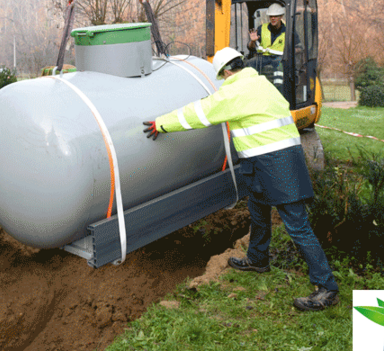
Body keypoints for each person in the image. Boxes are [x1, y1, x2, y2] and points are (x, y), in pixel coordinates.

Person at [142, 47, 339, 312]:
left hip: (276, 164)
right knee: (258, 210)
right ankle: (258, 259)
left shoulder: (235, 92)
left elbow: (199, 113)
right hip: (268, 162)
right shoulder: (261, 83)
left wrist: (161, 124)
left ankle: (326, 287)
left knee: (297, 226)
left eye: (221, 77)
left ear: (225, 71)